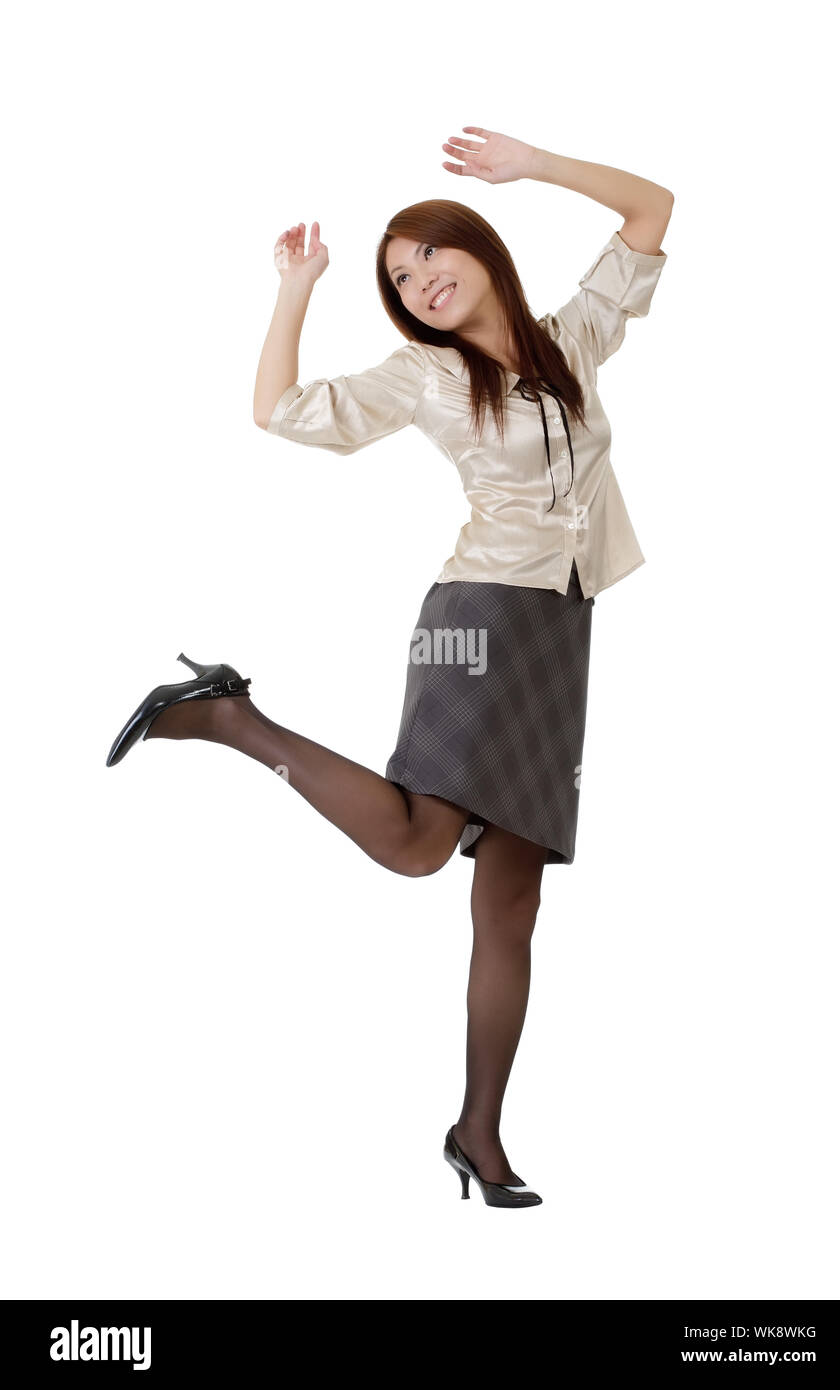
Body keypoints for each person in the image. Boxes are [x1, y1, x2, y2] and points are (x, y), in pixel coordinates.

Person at [106, 127, 673, 1208]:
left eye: (427, 258)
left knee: (509, 902)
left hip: (561, 631)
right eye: (402, 280)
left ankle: (478, 1132)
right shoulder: (422, 376)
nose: (419, 283)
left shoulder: (571, 341)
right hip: (476, 622)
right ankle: (235, 721)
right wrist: (296, 290)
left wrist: (537, 166)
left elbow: (651, 210)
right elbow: (279, 414)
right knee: (419, 845)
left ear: (478, 247)